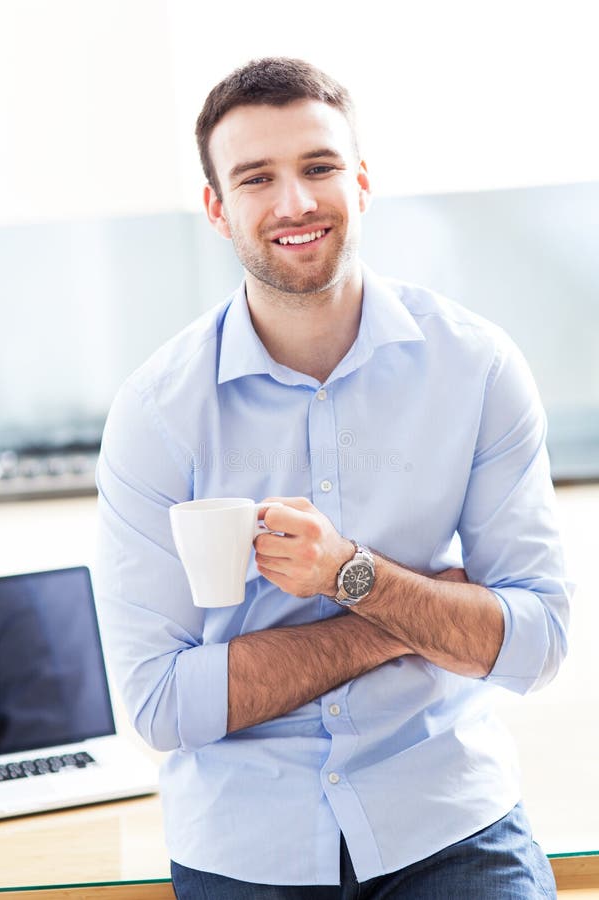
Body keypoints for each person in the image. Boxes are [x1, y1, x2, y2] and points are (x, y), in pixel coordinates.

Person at [94, 57, 572, 898]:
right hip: (246, 847)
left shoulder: (475, 367)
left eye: (319, 168)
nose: (295, 204)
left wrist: (348, 572)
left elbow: (534, 643)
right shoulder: (158, 413)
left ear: (362, 180)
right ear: (216, 207)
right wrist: (400, 615)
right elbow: (162, 706)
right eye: (256, 178)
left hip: (448, 820)